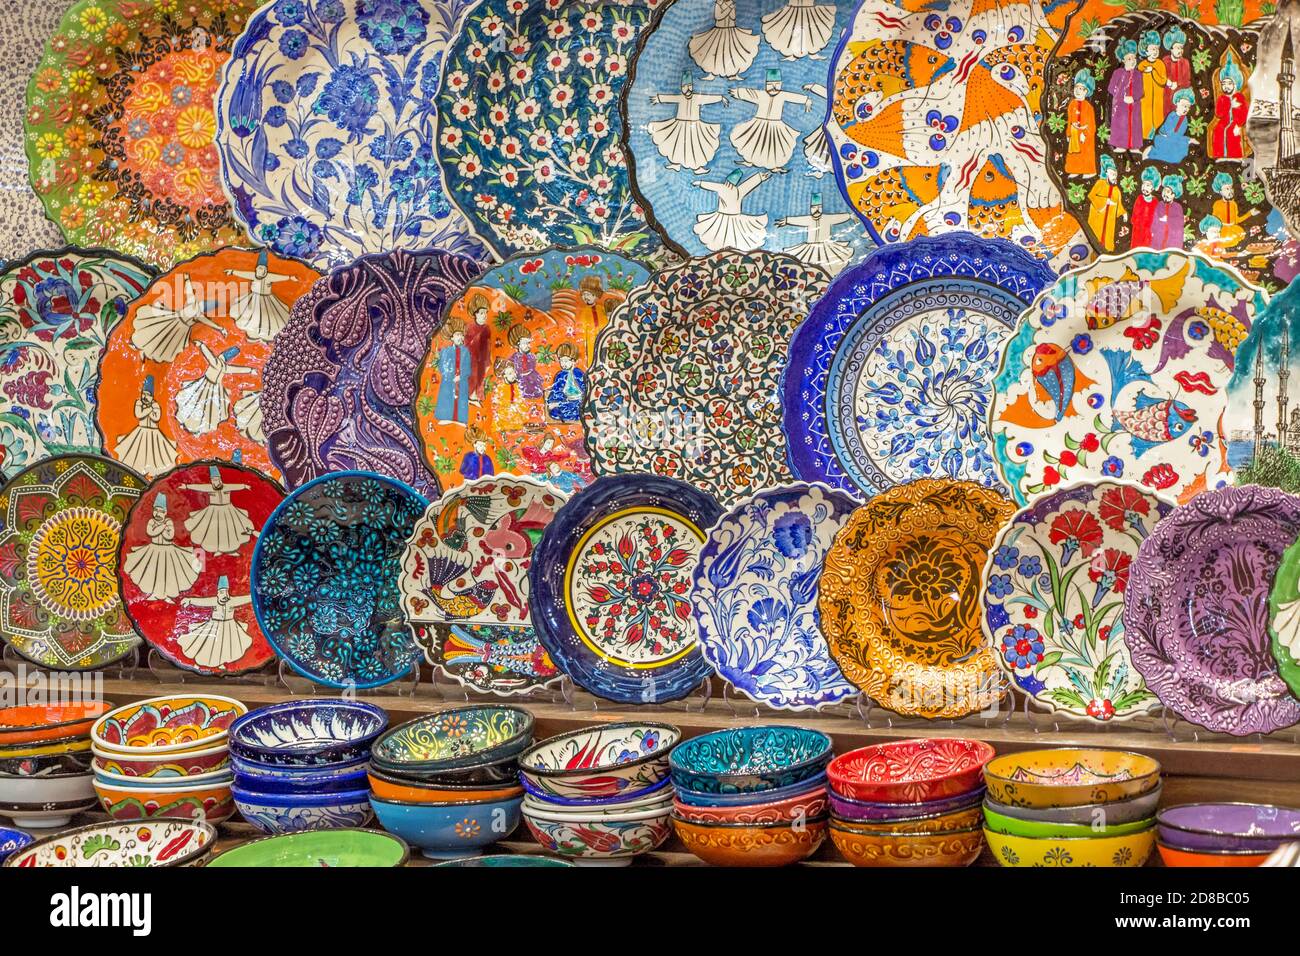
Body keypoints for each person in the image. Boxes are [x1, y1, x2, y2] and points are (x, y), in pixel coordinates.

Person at [121, 492, 201, 601]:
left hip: (168, 550)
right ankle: (154, 593)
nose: (158, 513)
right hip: (154, 549)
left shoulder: (169, 522)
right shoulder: (152, 521)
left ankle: (167, 595)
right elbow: (152, 532)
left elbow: (170, 535)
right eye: (156, 510)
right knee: (154, 573)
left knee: (168, 573)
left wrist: (162, 527)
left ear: (165, 512)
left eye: (161, 511)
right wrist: (163, 526)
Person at [729, 69, 811, 171]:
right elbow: (751, 93)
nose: (773, 87)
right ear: (765, 84)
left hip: (775, 125)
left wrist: (806, 100)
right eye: (770, 84)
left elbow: (793, 97)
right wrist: (738, 92)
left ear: (781, 84)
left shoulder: (782, 95)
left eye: (777, 84)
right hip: (758, 124)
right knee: (754, 142)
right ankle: (750, 161)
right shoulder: (761, 94)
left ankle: (774, 166)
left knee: (775, 146)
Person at [647, 72, 727, 173]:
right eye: (685, 86)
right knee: (676, 145)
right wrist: (658, 98)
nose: (688, 89)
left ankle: (697, 168)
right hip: (680, 126)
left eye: (689, 86)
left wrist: (721, 98)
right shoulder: (680, 97)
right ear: (681, 87)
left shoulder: (697, 97)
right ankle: (676, 164)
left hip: (695, 126)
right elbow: (670, 98)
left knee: (696, 146)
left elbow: (709, 99)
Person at [131, 276, 222, 362]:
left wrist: (187, 279)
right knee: (164, 341)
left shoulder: (194, 305)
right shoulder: (198, 314)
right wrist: (220, 328)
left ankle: (143, 349)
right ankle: (144, 350)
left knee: (158, 334)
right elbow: (208, 322)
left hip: (174, 320)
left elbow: (189, 290)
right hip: (179, 327)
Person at [174, 342, 255, 435]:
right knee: (209, 410)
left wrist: (201, 345)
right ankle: (199, 428)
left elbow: (208, 355)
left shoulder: (217, 362)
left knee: (195, 403)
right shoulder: (225, 367)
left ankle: (187, 422)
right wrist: (250, 370)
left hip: (205, 385)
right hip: (215, 389)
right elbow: (237, 369)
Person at [177, 576, 254, 670]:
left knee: (226, 646)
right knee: (210, 645)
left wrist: (254, 595)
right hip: (215, 626)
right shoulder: (215, 601)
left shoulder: (232, 601)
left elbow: (244, 599)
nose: (224, 594)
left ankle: (220, 662)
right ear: (218, 593)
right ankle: (200, 663)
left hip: (229, 628)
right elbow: (203, 602)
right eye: (221, 592)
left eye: (225, 592)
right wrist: (190, 600)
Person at [693, 168, 780, 250]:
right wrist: (759, 177)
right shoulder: (738, 190)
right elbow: (749, 184)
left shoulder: (723, 188)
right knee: (733, 233)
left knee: (724, 232)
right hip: (732, 217)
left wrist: (699, 183)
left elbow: (712, 186)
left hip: (723, 217)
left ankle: (727, 248)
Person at [183, 465, 256, 555]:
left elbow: (235, 486)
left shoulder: (226, 487)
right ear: (211, 480)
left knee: (230, 530)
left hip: (228, 510)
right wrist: (187, 486)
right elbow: (199, 487)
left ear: (220, 479)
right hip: (214, 511)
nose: (215, 482)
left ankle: (231, 550)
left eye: (216, 479)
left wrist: (244, 486)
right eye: (213, 480)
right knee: (216, 530)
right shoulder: (210, 487)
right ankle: (218, 550)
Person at [225, 249, 294, 341]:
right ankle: (252, 332)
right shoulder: (253, 275)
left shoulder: (269, 277)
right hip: (253, 298)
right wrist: (233, 271)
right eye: (258, 269)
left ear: (265, 270)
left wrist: (290, 277)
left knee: (269, 317)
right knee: (250, 315)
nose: (259, 271)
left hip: (267, 300)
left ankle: (267, 333)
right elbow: (244, 274)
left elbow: (279, 278)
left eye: (261, 269)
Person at [116, 376, 177, 476]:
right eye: (143, 394)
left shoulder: (155, 405)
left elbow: (156, 418)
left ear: (152, 396)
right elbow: (139, 414)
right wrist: (149, 410)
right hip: (141, 431)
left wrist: (151, 408)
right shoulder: (139, 403)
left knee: (155, 454)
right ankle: (134, 472)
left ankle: (157, 475)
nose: (144, 397)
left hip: (154, 433)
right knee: (137, 452)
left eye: (147, 395)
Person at [777, 193, 855, 271]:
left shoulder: (827, 218)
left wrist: (850, 216)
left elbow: (839, 217)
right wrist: (787, 220)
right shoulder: (808, 219)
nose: (817, 210)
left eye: (819, 207)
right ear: (810, 208)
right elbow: (799, 220)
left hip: (826, 247)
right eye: (814, 207)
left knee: (829, 265)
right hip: (810, 248)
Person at [688, 0, 760, 79]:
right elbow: (719, 16)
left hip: (731, 30)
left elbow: (733, 17)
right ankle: (712, 74)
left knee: (732, 52)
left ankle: (732, 74)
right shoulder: (718, 3)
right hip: (719, 30)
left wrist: (731, 8)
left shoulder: (731, 3)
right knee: (715, 52)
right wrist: (728, 9)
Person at [1208, 49, 1249, 160]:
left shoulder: (1239, 97)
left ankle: (1235, 156)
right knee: (1218, 130)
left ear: (1235, 85)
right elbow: (1219, 113)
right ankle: (1220, 155)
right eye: (1224, 84)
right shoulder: (1222, 98)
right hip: (1223, 122)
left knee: (1232, 132)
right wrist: (1229, 104)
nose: (1226, 86)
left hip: (1235, 123)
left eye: (1229, 83)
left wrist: (1238, 121)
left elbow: (1243, 115)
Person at [761, 0, 836, 58]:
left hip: (810, 11)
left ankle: (811, 50)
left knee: (812, 33)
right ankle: (794, 53)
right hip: (790, 11)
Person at [434, 318, 472, 425]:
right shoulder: (445, 352)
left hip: (462, 382)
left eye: (461, 335)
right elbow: (442, 366)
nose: (460, 337)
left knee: (461, 401)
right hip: (448, 382)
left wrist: (461, 376)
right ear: (452, 337)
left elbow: (468, 368)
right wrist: (451, 377)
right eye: (457, 335)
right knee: (447, 399)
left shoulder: (466, 351)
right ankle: (446, 417)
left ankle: (460, 419)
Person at [1108, 40, 1143, 152]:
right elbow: (1111, 88)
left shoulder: (1138, 74)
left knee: (1135, 124)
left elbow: (1140, 90)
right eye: (1129, 58)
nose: (1132, 61)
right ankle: (1120, 145)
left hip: (1134, 105)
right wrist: (1122, 95)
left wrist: (1133, 98)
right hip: (1120, 106)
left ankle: (1135, 146)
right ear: (1123, 60)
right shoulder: (1118, 73)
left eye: (1134, 58)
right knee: (1121, 125)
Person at [1144, 87, 1195, 164]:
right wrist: (1187, 140)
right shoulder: (1172, 116)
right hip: (1162, 139)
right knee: (1173, 153)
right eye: (1184, 105)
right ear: (1177, 103)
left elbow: (1179, 134)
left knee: (1178, 156)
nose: (1186, 109)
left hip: (1174, 140)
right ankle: (1151, 152)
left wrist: (1184, 140)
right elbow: (1170, 133)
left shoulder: (1185, 120)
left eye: (1188, 107)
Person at [1087, 155, 1127, 251]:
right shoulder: (1100, 183)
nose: (1114, 176)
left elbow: (1119, 206)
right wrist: (1105, 201)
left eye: (1115, 174)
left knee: (1107, 243)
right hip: (1098, 218)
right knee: (1094, 238)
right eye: (1112, 174)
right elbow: (1091, 196)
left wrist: (1124, 213)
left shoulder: (1117, 190)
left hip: (1109, 221)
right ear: (1106, 173)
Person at [1210, 171, 1255, 249]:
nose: (1230, 191)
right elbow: (1214, 223)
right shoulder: (1217, 204)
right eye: (1227, 188)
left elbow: (1236, 220)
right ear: (1220, 191)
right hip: (1222, 234)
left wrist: (1250, 213)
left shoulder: (1233, 204)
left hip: (1234, 231)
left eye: (1231, 188)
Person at [1064, 70, 1097, 177]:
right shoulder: (1072, 104)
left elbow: (1091, 124)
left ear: (1086, 91)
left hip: (1084, 135)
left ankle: (1088, 171)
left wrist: (1085, 133)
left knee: (1085, 153)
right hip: (1074, 133)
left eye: (1081, 89)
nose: (1078, 91)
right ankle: (1074, 170)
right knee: (1074, 153)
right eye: (1077, 88)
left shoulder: (1088, 107)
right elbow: (1069, 121)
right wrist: (1069, 133)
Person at [1138, 30, 1167, 141]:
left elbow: (1163, 80)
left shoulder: (1160, 64)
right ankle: (1145, 137)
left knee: (1158, 117)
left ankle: (1158, 135)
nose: (1155, 51)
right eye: (1152, 49)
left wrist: (1153, 71)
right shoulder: (1141, 65)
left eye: (1157, 49)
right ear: (1146, 51)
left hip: (1158, 98)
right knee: (1146, 118)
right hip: (1145, 98)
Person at [464, 294, 492, 406]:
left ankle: (475, 396)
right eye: (481, 313)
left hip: (483, 358)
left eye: (485, 313)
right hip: (473, 359)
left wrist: (487, 360)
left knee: (481, 378)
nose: (484, 315)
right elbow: (467, 345)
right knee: (473, 377)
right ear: (475, 314)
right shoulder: (470, 328)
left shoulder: (486, 328)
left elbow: (487, 345)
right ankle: (470, 396)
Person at [547, 343, 585, 422]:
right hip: (565, 401)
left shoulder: (578, 373)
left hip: (578, 402)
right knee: (554, 412)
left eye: (566, 361)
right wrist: (554, 402)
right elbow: (556, 391)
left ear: (573, 360)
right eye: (561, 361)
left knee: (577, 409)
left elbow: (585, 391)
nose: (563, 364)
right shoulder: (560, 375)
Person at [507, 324, 544, 399]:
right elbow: (509, 368)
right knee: (523, 393)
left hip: (532, 378)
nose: (528, 345)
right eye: (525, 343)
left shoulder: (531, 356)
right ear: (518, 344)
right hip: (521, 380)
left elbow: (532, 366)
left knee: (536, 392)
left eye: (528, 343)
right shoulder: (514, 357)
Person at [1150, 174, 1186, 249]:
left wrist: (1168, 219)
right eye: (1164, 191)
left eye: (1168, 191)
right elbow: (1155, 218)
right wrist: (1153, 230)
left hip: (1172, 238)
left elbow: (1180, 222)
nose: (1165, 193)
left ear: (1173, 195)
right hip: (1159, 236)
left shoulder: (1177, 207)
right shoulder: (1160, 204)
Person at [1161, 26, 1190, 117]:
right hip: (1166, 96)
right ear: (1171, 48)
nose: (1180, 51)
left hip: (1180, 98)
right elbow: (1161, 77)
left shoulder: (1185, 63)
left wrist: (1178, 85)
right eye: (1177, 48)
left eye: (1181, 48)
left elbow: (1187, 81)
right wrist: (1168, 83)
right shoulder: (1165, 61)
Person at [1130, 167, 1161, 248]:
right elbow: (1134, 215)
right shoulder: (1139, 198)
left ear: (1153, 187)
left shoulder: (1155, 202)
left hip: (1149, 232)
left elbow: (1156, 218)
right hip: (1138, 230)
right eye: (1143, 184)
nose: (1144, 187)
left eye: (1148, 185)